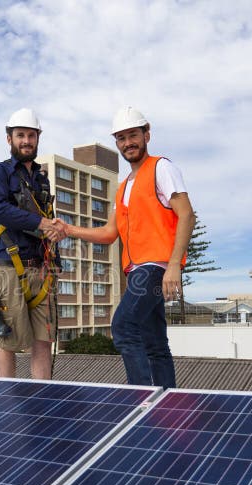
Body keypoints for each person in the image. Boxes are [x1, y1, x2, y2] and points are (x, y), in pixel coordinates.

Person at [54, 106, 195, 387]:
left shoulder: (161, 168)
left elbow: (187, 215)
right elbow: (109, 233)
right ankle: (165, 401)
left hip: (155, 267)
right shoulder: (124, 187)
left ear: (147, 134)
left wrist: (173, 267)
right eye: (121, 138)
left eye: (133, 135)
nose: (128, 143)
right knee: (155, 343)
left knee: (123, 326)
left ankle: (139, 399)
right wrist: (69, 229)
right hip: (138, 270)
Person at [0, 108, 65, 379]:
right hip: (9, 267)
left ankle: (42, 398)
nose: (26, 141)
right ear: (9, 139)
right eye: (20, 135)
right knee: (8, 340)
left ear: (38, 138)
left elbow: (45, 218)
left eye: (31, 135)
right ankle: (6, 399)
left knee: (43, 340)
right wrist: (41, 224)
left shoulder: (41, 180)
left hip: (41, 269)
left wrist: (53, 232)